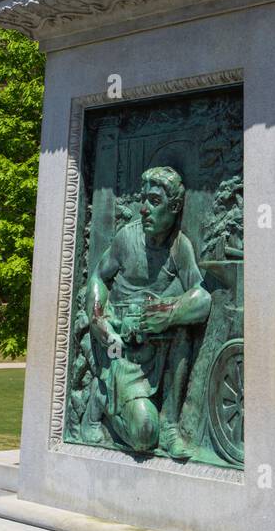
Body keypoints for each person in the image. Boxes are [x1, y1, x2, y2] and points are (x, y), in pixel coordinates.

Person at [85, 165, 210, 458]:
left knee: (182, 324)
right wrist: (99, 319)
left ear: (175, 208)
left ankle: (170, 425)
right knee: (143, 436)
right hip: (121, 346)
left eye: (154, 202)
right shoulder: (126, 239)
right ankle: (102, 397)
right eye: (144, 200)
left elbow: (202, 297)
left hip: (160, 348)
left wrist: (170, 312)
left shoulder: (180, 247)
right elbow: (98, 278)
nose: (143, 210)